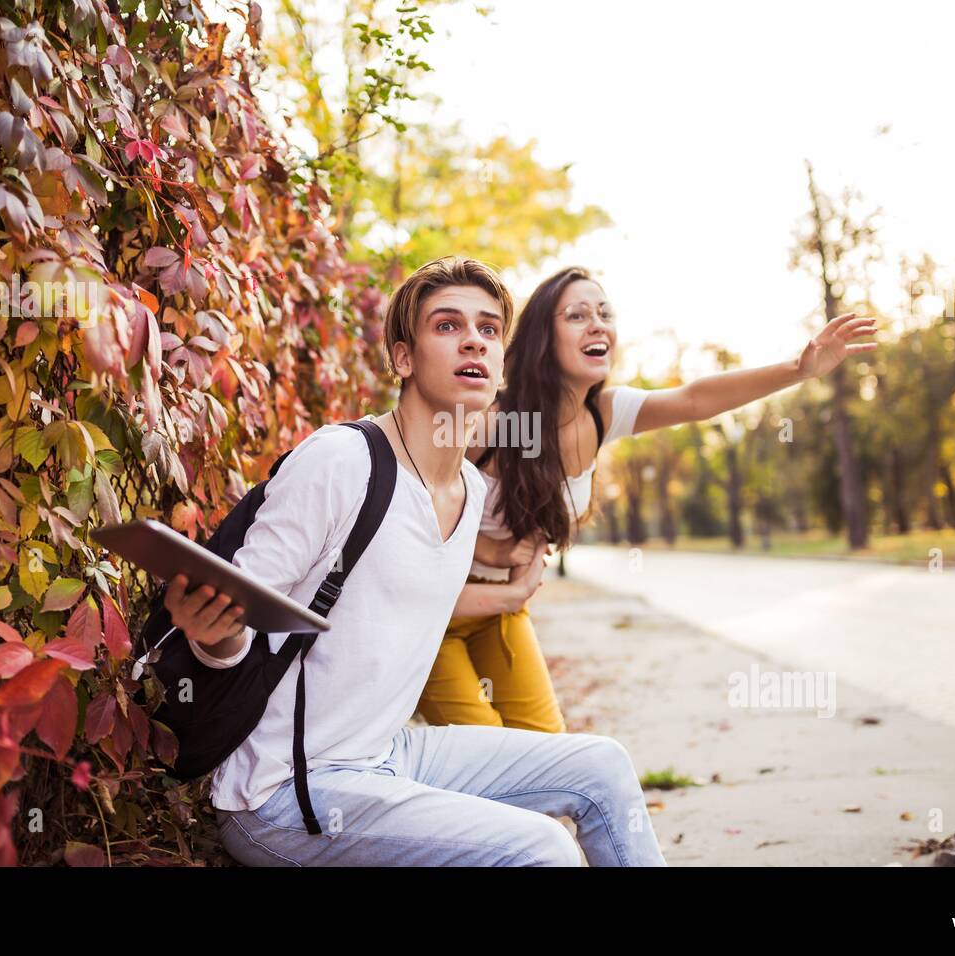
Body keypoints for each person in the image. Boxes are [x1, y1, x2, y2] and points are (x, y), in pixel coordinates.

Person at [161, 256, 667, 866]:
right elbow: (241, 609)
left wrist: (512, 585)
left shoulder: (472, 491)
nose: (473, 339)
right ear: (403, 358)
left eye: (487, 329)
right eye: (447, 326)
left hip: (387, 754)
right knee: (541, 847)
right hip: (285, 792)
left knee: (601, 767)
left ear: (502, 365)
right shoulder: (342, 461)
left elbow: (402, 598)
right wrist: (213, 638)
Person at [417, 265, 877, 734]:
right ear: (542, 337)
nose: (597, 324)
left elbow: (696, 399)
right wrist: (488, 549)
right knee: (489, 761)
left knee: (547, 755)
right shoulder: (491, 420)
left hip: (501, 610)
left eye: (604, 313)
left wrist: (799, 370)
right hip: (432, 610)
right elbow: (412, 506)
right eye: (576, 316)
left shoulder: (604, 413)